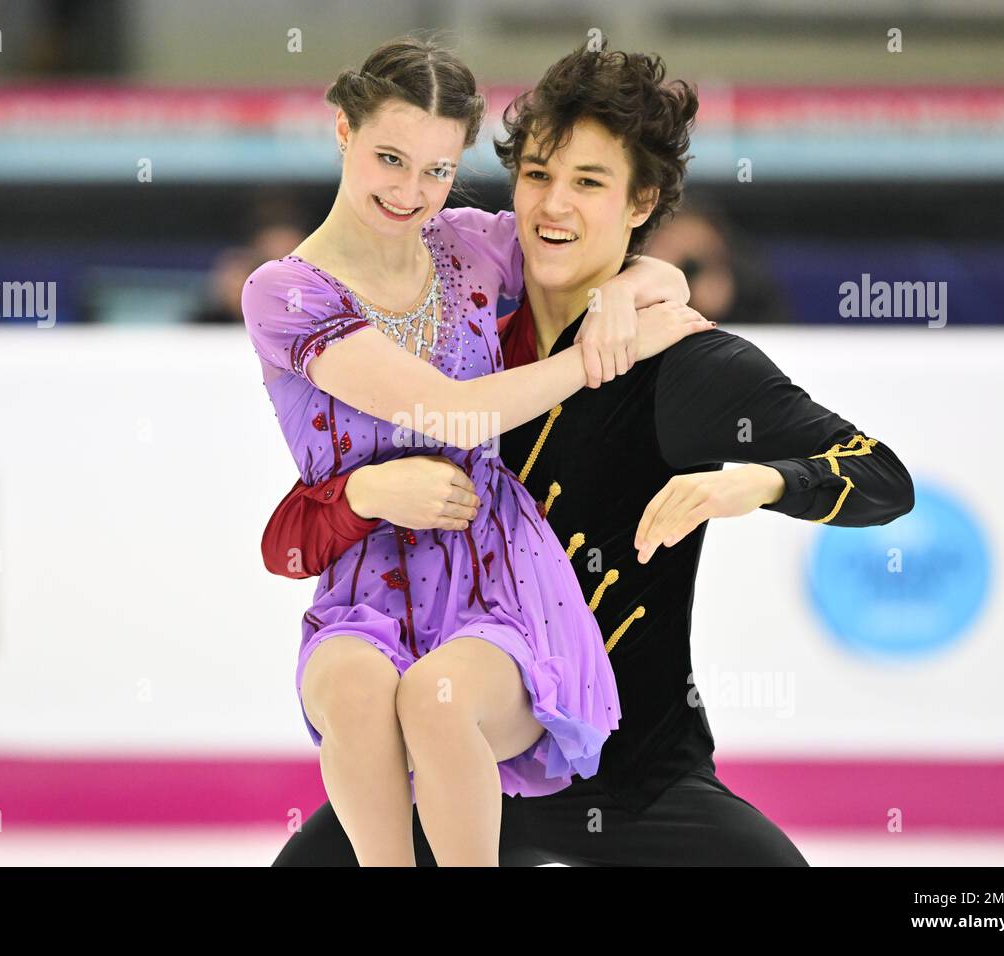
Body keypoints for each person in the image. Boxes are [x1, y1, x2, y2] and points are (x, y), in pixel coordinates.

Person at [262, 42, 916, 866]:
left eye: (589, 182)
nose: (552, 206)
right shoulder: (463, 340)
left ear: (642, 201)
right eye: (537, 175)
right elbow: (297, 526)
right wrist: (364, 497)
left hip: (633, 779)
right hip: (458, 769)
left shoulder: (681, 364)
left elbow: (881, 476)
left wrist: (751, 482)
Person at [239, 35, 711, 867]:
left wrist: (618, 302)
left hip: (491, 575)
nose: (411, 192)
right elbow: (449, 413)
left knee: (439, 696)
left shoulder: (468, 244)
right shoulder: (286, 293)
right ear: (342, 129)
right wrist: (591, 360)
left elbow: (648, 271)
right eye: (391, 157)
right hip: (366, 584)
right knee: (350, 689)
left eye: (437, 170)